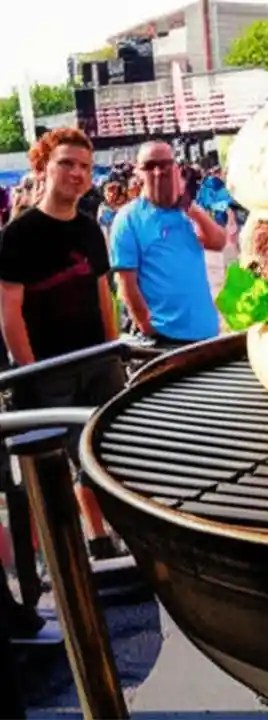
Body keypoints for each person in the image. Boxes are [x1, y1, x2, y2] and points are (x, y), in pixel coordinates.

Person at [0, 129, 125, 569]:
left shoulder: (91, 229)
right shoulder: (18, 235)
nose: (77, 173)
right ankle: (75, 547)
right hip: (50, 370)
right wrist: (30, 371)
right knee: (69, 461)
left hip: (97, 361)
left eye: (84, 167)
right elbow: (10, 312)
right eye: (67, 164)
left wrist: (114, 351)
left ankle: (109, 535)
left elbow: (101, 292)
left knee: (106, 455)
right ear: (43, 168)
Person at [111, 141, 226, 348]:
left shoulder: (188, 212)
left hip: (206, 332)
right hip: (165, 338)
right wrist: (147, 327)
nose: (158, 172)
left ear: (176, 168)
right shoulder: (128, 219)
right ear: (138, 172)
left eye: (165, 164)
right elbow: (127, 284)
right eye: (149, 166)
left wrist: (189, 205)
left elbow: (218, 242)